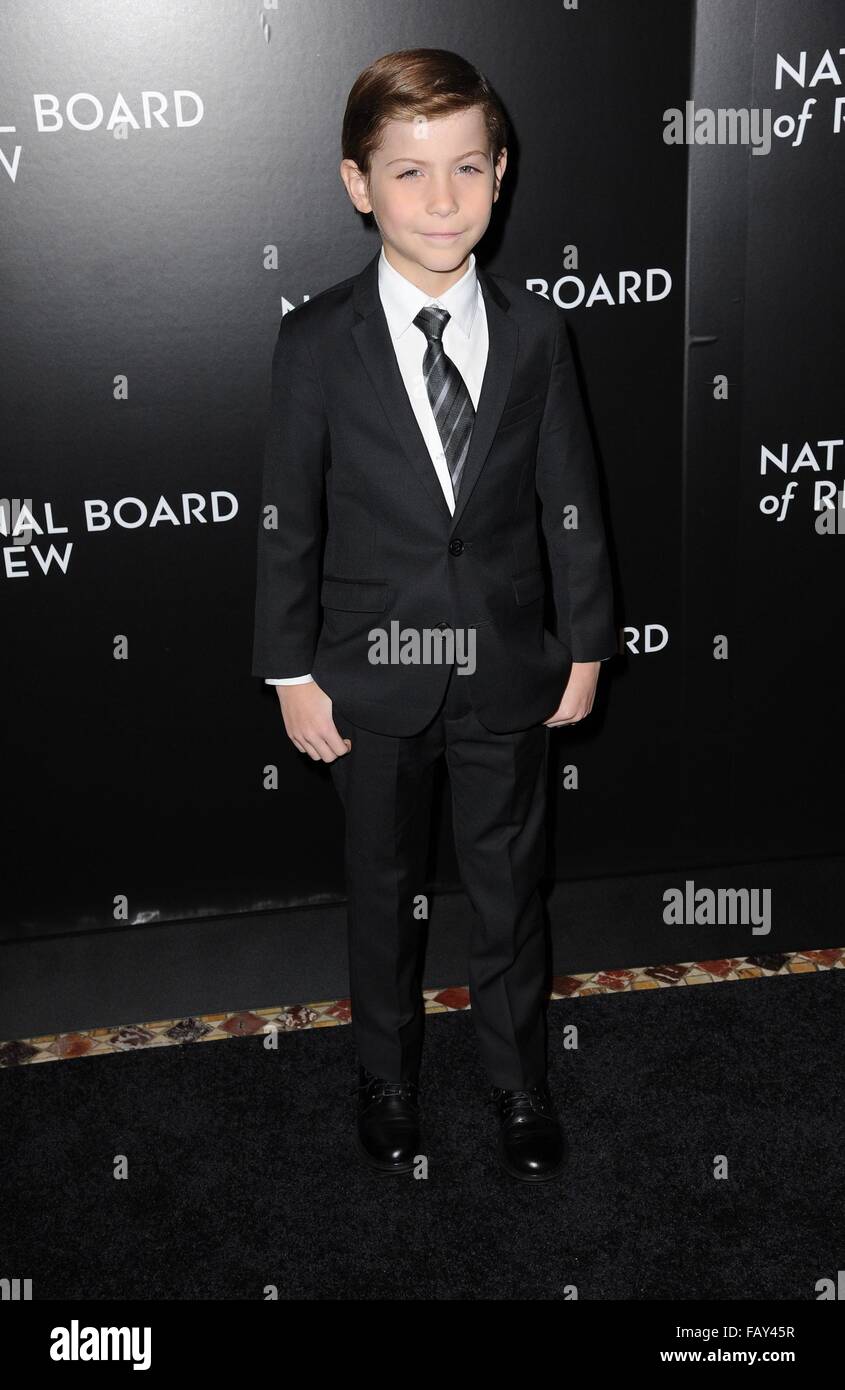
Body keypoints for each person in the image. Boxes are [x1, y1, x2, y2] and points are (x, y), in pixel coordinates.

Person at [252, 48, 617, 1182]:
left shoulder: (539, 333)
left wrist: (587, 641)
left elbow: (571, 503)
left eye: (467, 167)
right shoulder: (315, 341)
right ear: (358, 185)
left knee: (511, 885)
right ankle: (385, 1073)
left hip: (506, 663)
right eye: (409, 174)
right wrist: (289, 670)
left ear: (501, 175)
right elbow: (286, 519)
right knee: (381, 887)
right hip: (369, 673)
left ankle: (517, 1082)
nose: (442, 199)